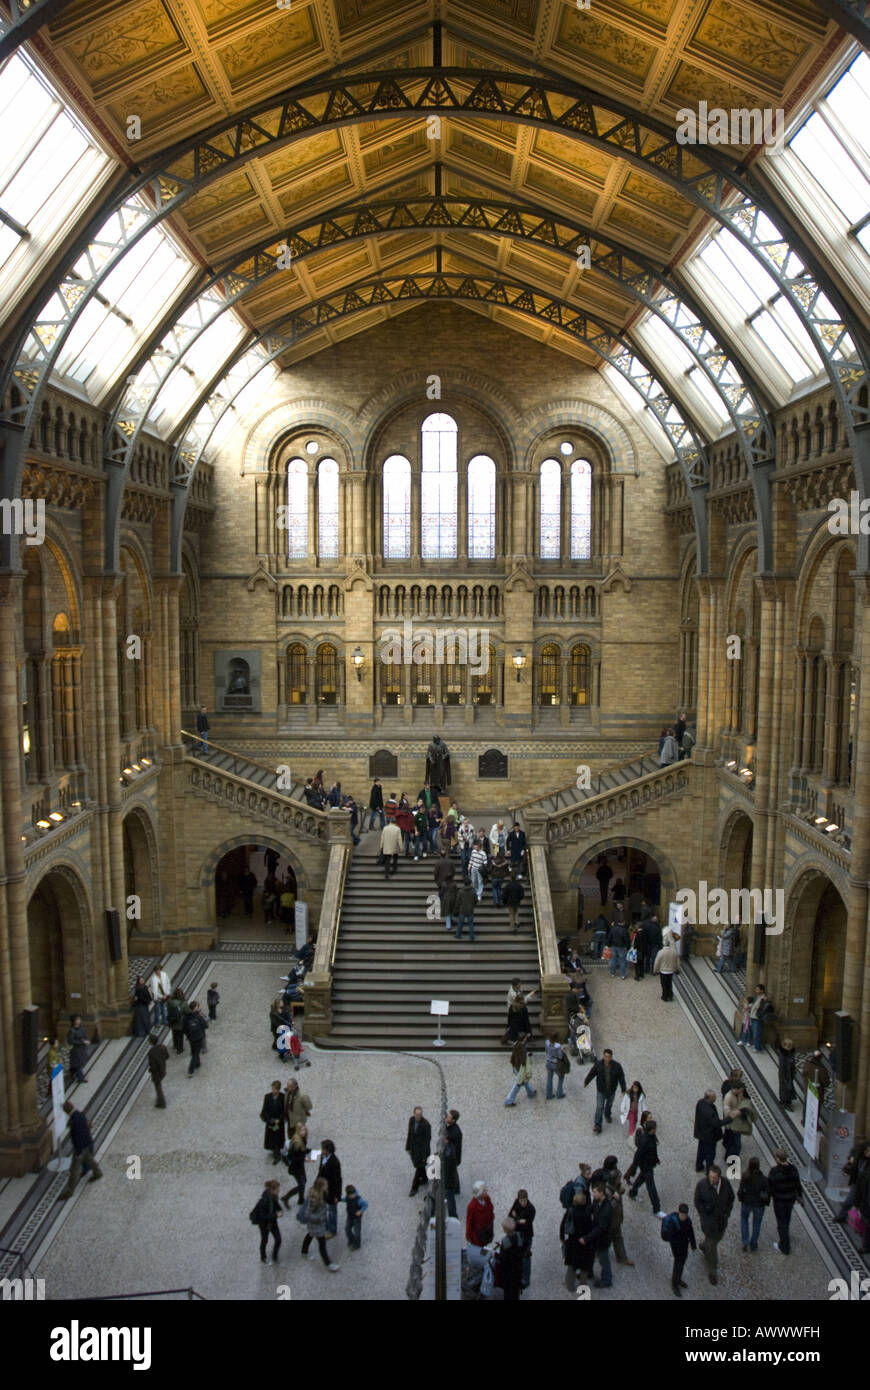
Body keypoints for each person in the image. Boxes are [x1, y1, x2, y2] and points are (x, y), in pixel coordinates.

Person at [693, 1164, 735, 1285]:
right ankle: (713, 1269)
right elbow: (697, 1201)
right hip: (709, 1224)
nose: (711, 1179)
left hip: (721, 1221)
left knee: (716, 1240)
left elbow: (731, 1198)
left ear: (719, 1177)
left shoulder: (725, 1184)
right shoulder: (702, 1185)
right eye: (710, 1177)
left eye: (714, 1177)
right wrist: (704, 1215)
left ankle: (704, 1245)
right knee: (713, 1246)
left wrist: (727, 1212)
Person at [56, 1100, 102, 1199]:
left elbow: (77, 1138)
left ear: (66, 1112)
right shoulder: (80, 1114)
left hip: (81, 1148)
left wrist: (78, 1152)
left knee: (74, 1169)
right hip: (88, 1142)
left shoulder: (74, 1121)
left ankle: (70, 1191)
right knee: (90, 1160)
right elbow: (89, 1124)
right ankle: (98, 1173)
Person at [767, 1148, 803, 1255]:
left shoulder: (774, 1171)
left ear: (778, 1159)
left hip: (779, 1200)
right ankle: (785, 1234)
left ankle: (784, 1246)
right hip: (790, 1199)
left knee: (781, 1222)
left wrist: (768, 1198)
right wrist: (799, 1195)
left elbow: (770, 1186)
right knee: (787, 1218)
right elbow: (798, 1184)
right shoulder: (793, 1169)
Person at [300, 1177, 340, 1271]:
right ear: (321, 1187)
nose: (327, 1186)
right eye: (325, 1185)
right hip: (317, 1225)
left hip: (318, 1224)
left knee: (310, 1235)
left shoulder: (322, 1194)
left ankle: (304, 1251)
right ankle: (328, 1263)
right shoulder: (314, 1199)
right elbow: (308, 1214)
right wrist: (319, 1218)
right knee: (322, 1244)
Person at [584, 1048, 627, 1133]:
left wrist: (623, 1089)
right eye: (605, 1056)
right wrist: (586, 1081)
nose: (607, 1058)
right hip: (601, 1090)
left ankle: (607, 1114)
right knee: (599, 1107)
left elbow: (621, 1077)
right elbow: (592, 1073)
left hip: (611, 1090)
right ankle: (597, 1125)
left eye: (609, 1057)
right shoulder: (598, 1064)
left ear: (611, 1057)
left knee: (609, 1104)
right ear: (603, 1056)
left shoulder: (617, 1066)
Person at [628, 1119, 665, 1216]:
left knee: (641, 1178)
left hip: (648, 1164)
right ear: (651, 1129)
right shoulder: (645, 1140)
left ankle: (632, 1192)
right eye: (655, 1128)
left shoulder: (650, 1137)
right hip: (646, 1166)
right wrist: (634, 1167)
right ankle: (656, 1209)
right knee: (651, 1187)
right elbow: (638, 1154)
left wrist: (656, 1159)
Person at [561, 1190, 595, 1286]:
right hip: (584, 1243)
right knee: (584, 1266)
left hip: (573, 1242)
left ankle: (570, 1285)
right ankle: (583, 1285)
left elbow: (563, 1224)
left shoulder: (571, 1211)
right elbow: (590, 1228)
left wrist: (562, 1237)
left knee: (572, 1265)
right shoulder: (587, 1213)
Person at [834, 1140, 870, 1226]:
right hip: (857, 1183)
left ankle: (861, 1224)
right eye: (867, 1151)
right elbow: (853, 1156)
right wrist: (851, 1158)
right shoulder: (858, 1155)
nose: (868, 1153)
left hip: (865, 1186)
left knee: (862, 1206)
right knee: (849, 1201)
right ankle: (841, 1217)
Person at [737, 1155, 769, 1252]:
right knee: (757, 1224)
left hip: (747, 1202)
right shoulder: (764, 1179)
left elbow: (741, 1189)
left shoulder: (746, 1176)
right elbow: (767, 1192)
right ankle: (754, 1244)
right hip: (759, 1205)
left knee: (744, 1219)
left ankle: (745, 1241)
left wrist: (740, 1198)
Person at [664, 1203, 697, 1297]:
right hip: (677, 1248)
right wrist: (677, 1247)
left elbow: (691, 1232)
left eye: (685, 1215)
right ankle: (675, 1284)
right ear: (679, 1213)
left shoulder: (687, 1221)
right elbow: (671, 1238)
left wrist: (693, 1244)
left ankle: (677, 1279)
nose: (684, 1217)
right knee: (678, 1264)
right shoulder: (673, 1223)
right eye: (682, 1215)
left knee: (681, 1263)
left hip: (684, 1246)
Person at [586, 1183, 614, 1288]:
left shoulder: (606, 1208)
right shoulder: (598, 1201)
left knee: (603, 1259)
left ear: (601, 1193)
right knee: (594, 1255)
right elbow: (591, 1209)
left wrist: (587, 1238)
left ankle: (607, 1280)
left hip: (602, 1239)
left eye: (595, 1192)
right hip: (597, 1238)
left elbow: (601, 1227)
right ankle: (590, 1272)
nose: (593, 1194)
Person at [508, 1190, 536, 1290]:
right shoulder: (516, 1203)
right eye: (521, 1201)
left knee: (526, 1257)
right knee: (518, 1255)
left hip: (527, 1236)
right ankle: (519, 1275)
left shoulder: (531, 1209)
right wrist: (520, 1220)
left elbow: (527, 1223)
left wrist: (517, 1219)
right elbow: (510, 1216)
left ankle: (526, 1280)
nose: (523, 1203)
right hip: (518, 1234)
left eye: (524, 1200)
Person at [280, 1122, 311, 1208]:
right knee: (301, 1184)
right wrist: (304, 1158)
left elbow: (303, 1150)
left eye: (304, 1129)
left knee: (303, 1182)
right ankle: (287, 1197)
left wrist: (308, 1151)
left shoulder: (302, 1139)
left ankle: (300, 1199)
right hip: (296, 1167)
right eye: (301, 1130)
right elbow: (292, 1156)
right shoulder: (297, 1143)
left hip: (300, 1166)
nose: (303, 1132)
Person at [252, 1179, 282, 1264]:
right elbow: (263, 1217)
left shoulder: (273, 1196)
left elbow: (277, 1205)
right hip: (264, 1224)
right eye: (277, 1190)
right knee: (264, 1240)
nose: (278, 1192)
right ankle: (263, 1257)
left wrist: (279, 1210)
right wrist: (276, 1215)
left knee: (278, 1239)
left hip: (272, 1222)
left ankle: (274, 1256)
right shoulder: (264, 1201)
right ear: (272, 1190)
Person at [722, 1083, 756, 1158]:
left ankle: (729, 1155)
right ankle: (730, 1158)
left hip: (737, 1123)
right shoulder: (729, 1096)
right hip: (733, 1122)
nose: (732, 1091)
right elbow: (727, 1112)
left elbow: (747, 1103)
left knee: (733, 1142)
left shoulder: (740, 1094)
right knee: (735, 1144)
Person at [693, 1090, 722, 1173]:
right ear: (709, 1098)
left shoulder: (700, 1102)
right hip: (710, 1136)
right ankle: (709, 1171)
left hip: (701, 1133)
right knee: (710, 1155)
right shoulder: (709, 1112)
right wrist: (730, 1118)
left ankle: (699, 1166)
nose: (716, 1098)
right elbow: (717, 1123)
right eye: (714, 1097)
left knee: (701, 1151)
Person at [496, 1217, 525, 1302]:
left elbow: (503, 1259)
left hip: (508, 1274)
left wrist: (495, 1255)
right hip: (518, 1270)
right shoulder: (519, 1236)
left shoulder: (505, 1241)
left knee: (508, 1294)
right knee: (515, 1293)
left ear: (505, 1230)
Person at [317, 1139, 342, 1236]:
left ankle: (332, 1230)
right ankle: (326, 1225)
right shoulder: (323, 1157)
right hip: (322, 1188)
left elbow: (337, 1180)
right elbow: (320, 1171)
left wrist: (337, 1195)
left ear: (328, 1150)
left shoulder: (334, 1162)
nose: (321, 1151)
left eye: (323, 1149)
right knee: (323, 1208)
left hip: (331, 1191)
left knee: (332, 1212)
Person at [405, 1106, 432, 1196]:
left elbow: (427, 1141)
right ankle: (424, 1179)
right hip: (414, 1149)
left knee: (418, 1168)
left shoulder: (426, 1125)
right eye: (417, 1114)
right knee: (420, 1168)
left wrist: (424, 1156)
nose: (418, 1116)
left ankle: (414, 1187)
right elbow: (410, 1134)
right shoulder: (411, 1120)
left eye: (420, 1115)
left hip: (422, 1152)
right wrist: (408, 1146)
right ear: (414, 1114)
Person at [505, 1037, 536, 1105]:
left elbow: (513, 1058)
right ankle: (508, 1101)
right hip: (521, 1070)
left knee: (525, 1081)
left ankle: (531, 1092)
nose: (526, 1039)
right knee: (517, 1085)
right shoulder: (522, 1048)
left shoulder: (516, 1045)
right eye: (525, 1038)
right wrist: (529, 1057)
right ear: (523, 1039)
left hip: (516, 1068)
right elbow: (523, 1061)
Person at [261, 1080, 286, 1165]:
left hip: (279, 1123)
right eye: (273, 1089)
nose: (274, 1091)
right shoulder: (267, 1097)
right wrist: (269, 1119)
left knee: (277, 1139)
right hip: (270, 1122)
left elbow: (284, 1111)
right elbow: (265, 1110)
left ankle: (277, 1155)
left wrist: (279, 1119)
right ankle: (274, 1150)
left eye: (276, 1089)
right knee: (271, 1138)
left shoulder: (283, 1097)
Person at [466, 1181, 494, 1250]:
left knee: (485, 1244)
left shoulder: (487, 1199)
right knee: (478, 1249)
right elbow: (469, 1222)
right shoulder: (472, 1206)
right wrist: (469, 1236)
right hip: (478, 1234)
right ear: (479, 1193)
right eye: (484, 1190)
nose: (486, 1191)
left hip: (487, 1230)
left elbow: (491, 1209)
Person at [443, 1120, 462, 1219]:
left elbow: (448, 1168)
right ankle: (457, 1188)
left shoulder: (449, 1151)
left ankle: (453, 1215)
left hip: (448, 1180)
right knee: (455, 1173)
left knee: (450, 1198)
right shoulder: (450, 1148)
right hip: (451, 1175)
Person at [184, 1000, 208, 1076]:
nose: (198, 1008)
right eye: (197, 1007)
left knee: (195, 1051)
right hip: (198, 1037)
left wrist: (188, 1035)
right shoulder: (198, 1016)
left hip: (191, 1038)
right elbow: (205, 1025)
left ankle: (198, 1063)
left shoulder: (186, 1017)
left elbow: (184, 1028)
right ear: (194, 1008)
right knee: (195, 1053)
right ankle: (190, 1070)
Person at [653, 932, 680, 1001]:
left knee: (663, 984)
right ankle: (670, 995)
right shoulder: (674, 952)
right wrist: (677, 969)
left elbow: (657, 962)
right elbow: (677, 962)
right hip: (670, 971)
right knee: (669, 983)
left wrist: (655, 970)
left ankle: (664, 996)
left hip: (663, 971)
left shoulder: (661, 952)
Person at [749, 985, 774, 1052]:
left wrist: (759, 1014)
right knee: (755, 1032)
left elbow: (762, 1008)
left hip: (757, 1018)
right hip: (753, 1016)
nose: (756, 991)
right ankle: (755, 1044)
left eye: (757, 989)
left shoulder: (764, 998)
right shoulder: (757, 997)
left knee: (757, 1033)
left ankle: (757, 1047)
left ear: (762, 990)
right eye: (756, 989)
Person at [147, 1032, 169, 1109]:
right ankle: (159, 1100)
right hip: (163, 1069)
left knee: (158, 1087)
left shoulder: (151, 1052)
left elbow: (152, 1065)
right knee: (158, 1086)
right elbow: (167, 1056)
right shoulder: (163, 1047)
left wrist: (151, 1070)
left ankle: (162, 1102)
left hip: (156, 1072)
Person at [66, 1014, 89, 1085]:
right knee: (78, 1064)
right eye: (77, 1019)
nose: (79, 1021)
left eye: (79, 1019)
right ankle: (81, 1078)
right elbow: (70, 1041)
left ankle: (72, 1073)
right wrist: (81, 1042)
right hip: (75, 1050)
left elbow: (85, 1035)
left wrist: (86, 1041)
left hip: (82, 1048)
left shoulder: (82, 1028)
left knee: (77, 1063)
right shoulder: (72, 1031)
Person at [341, 1184, 364, 1251]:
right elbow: (344, 1199)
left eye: (353, 1194)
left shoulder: (358, 1199)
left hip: (357, 1218)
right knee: (347, 1229)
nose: (353, 1196)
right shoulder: (348, 1198)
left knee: (357, 1232)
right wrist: (339, 1199)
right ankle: (351, 1239)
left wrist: (361, 1211)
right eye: (351, 1195)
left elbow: (365, 1204)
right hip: (350, 1216)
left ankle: (357, 1244)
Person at [776, 1036, 797, 1110]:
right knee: (785, 1088)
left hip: (788, 1073)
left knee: (788, 1088)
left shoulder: (789, 1053)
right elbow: (783, 1067)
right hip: (785, 1074)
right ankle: (785, 1102)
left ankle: (787, 1100)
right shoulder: (783, 1056)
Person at [545, 1034, 567, 1100]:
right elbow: (560, 1056)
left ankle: (549, 1095)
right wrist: (562, 1050)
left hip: (548, 1062)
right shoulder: (557, 1046)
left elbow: (546, 1051)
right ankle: (559, 1094)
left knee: (549, 1078)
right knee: (561, 1077)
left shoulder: (546, 1042)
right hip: (555, 1063)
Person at [455, 876, 477, 942]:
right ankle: (472, 936)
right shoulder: (473, 891)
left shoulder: (461, 891)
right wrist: (473, 905)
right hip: (470, 909)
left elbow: (458, 901)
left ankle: (458, 935)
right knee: (471, 923)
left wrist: (456, 909)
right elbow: (475, 900)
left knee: (460, 923)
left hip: (462, 909)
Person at [167, 988, 187, 1055]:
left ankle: (175, 1045)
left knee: (174, 1033)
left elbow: (168, 1009)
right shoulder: (182, 1002)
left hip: (172, 1021)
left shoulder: (170, 1002)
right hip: (180, 1022)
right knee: (180, 1036)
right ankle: (180, 1049)